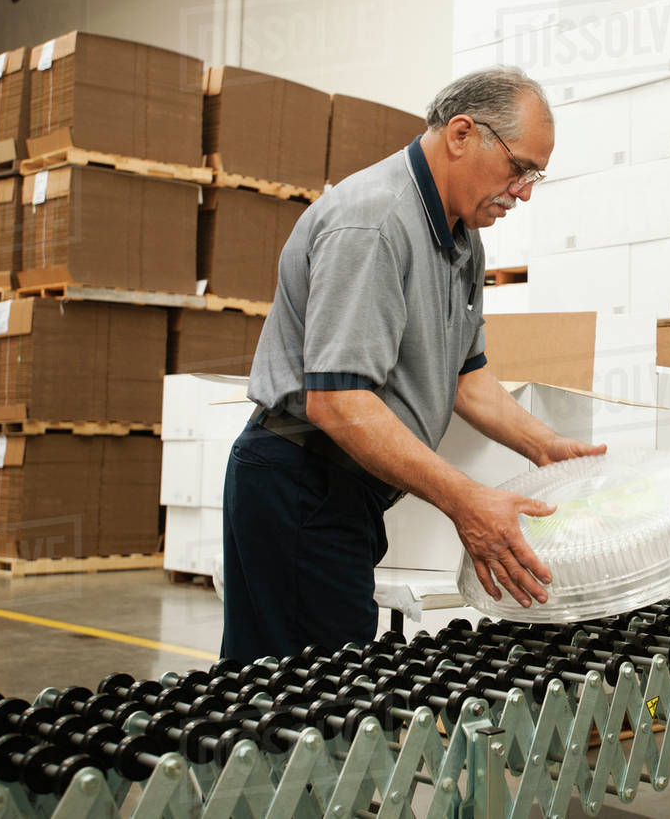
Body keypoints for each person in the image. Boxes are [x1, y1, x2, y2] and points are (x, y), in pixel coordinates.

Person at [220, 67, 605, 664]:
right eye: (519, 168)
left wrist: (546, 447)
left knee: (323, 682)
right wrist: (466, 501)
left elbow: (465, 377)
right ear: (462, 134)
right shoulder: (373, 223)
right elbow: (337, 402)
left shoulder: (461, 239)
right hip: (299, 483)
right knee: (302, 694)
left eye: (535, 176)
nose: (524, 192)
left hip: (344, 490)